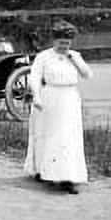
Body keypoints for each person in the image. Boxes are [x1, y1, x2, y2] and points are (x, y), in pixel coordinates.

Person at [23, 19, 92, 194]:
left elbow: (87, 75)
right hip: (50, 98)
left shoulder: (74, 55)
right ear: (54, 41)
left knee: (68, 137)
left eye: (67, 43)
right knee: (48, 135)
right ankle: (43, 170)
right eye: (61, 43)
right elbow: (35, 78)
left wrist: (75, 60)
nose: (64, 46)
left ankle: (68, 177)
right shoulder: (44, 57)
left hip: (69, 99)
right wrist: (37, 98)